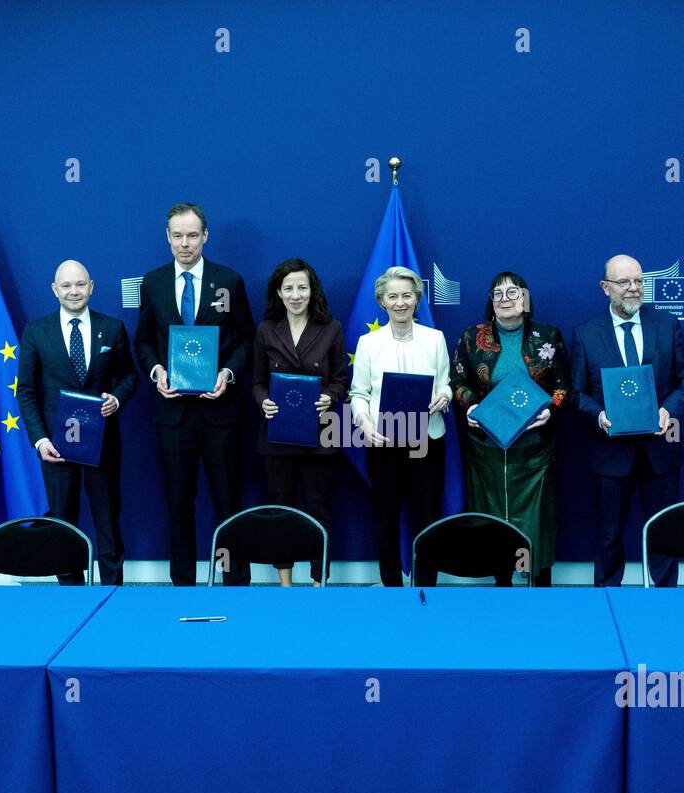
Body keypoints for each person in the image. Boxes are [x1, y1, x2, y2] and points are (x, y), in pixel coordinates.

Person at [134, 203, 256, 586]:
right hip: (172, 413)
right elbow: (143, 341)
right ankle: (182, 582)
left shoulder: (229, 280)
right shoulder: (152, 283)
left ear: (205, 236)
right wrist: (156, 371)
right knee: (178, 502)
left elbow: (247, 339)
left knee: (227, 500)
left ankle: (234, 578)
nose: (184, 243)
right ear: (167, 237)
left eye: (192, 235)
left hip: (219, 410)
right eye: (177, 235)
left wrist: (228, 373)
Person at [569, 254, 684, 587]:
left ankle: (665, 599)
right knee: (608, 533)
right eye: (624, 282)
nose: (633, 289)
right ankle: (607, 599)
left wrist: (668, 410)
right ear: (605, 287)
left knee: (664, 530)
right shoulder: (585, 334)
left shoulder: (667, 326)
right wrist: (598, 415)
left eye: (639, 281)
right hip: (610, 453)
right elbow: (575, 393)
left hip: (661, 451)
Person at [17, 259, 138, 585]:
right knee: (62, 521)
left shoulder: (112, 328)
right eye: (67, 285)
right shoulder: (36, 331)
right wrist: (41, 440)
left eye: (80, 284)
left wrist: (117, 397)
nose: (74, 291)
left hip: (102, 442)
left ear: (92, 286)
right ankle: (71, 592)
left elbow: (128, 376)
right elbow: (26, 392)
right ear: (55, 290)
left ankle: (112, 590)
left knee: (107, 519)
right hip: (56, 446)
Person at [451, 272, 569, 586]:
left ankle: (540, 581)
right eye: (498, 293)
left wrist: (550, 409)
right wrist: (470, 406)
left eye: (513, 292)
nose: (505, 299)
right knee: (492, 521)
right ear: (490, 301)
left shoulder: (548, 336)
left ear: (526, 299)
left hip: (534, 449)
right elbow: (458, 382)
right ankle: (501, 584)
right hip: (487, 447)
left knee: (537, 522)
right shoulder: (470, 337)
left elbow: (562, 386)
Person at [349, 266, 451, 587]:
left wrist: (444, 396)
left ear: (417, 299)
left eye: (407, 295)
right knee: (386, 520)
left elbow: (446, 384)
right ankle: (391, 587)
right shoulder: (368, 343)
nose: (400, 302)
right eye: (392, 296)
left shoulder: (435, 339)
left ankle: (425, 587)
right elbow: (358, 394)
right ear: (382, 301)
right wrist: (363, 422)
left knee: (427, 519)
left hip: (428, 441)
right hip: (383, 443)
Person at [251, 259, 348, 586]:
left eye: (302, 288)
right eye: (289, 288)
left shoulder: (331, 328)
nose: (296, 295)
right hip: (277, 434)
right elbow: (256, 382)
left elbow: (340, 380)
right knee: (280, 509)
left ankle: (319, 581)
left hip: (320, 435)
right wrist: (262, 400)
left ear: (312, 291)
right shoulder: (265, 329)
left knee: (319, 511)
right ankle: (285, 582)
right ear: (279, 292)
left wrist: (329, 397)